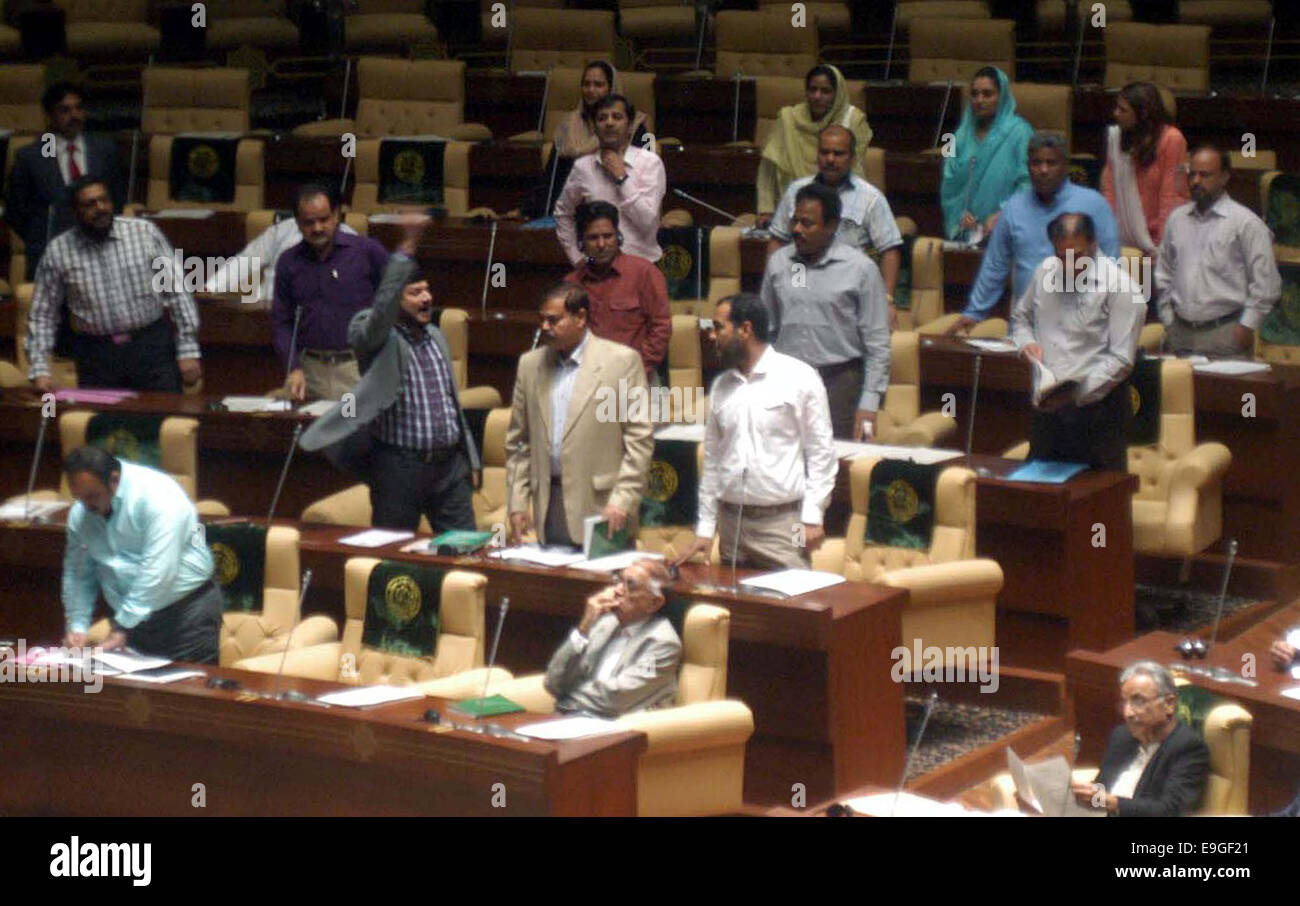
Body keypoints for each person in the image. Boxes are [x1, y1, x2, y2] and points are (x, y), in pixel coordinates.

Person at [299, 214, 479, 533]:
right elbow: (381, 313)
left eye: (427, 291)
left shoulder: (437, 335)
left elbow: (453, 405)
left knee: (465, 551)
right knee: (394, 560)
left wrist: (471, 461)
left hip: (449, 468)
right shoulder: (374, 337)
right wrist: (406, 246)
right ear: (394, 299)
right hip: (400, 469)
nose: (426, 298)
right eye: (414, 293)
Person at [674, 294, 836, 570]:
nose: (712, 336)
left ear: (745, 329)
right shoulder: (722, 386)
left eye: (718, 327)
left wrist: (812, 515)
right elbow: (713, 462)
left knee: (793, 605)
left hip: (784, 523)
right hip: (731, 524)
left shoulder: (799, 377)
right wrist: (705, 528)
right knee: (736, 611)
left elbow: (821, 453)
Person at [505, 281, 654, 547]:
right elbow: (519, 442)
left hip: (604, 507)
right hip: (547, 506)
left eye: (554, 320)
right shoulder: (529, 365)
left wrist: (623, 500)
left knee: (605, 588)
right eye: (542, 320)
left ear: (581, 317)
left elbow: (639, 441)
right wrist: (517, 502)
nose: (545, 328)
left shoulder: (621, 362)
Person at [26, 177, 201, 393]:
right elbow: (43, 315)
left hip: (151, 348)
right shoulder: (58, 251)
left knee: (162, 422)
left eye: (104, 200)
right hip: (97, 356)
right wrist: (40, 369)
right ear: (74, 212)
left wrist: (188, 349)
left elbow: (177, 291)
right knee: (105, 425)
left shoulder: (144, 233)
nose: (100, 208)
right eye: (90, 204)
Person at [60, 446, 224, 664]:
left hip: (186, 615)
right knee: (133, 695)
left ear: (114, 480)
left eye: (92, 496)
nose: (86, 507)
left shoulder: (159, 497)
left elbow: (157, 573)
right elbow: (78, 573)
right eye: (79, 498)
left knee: (185, 695)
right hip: (132, 617)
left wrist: (123, 626)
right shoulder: (82, 514)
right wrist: (78, 626)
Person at [946, 131, 1119, 335]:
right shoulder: (1013, 207)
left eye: (1051, 163)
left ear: (1065, 166)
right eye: (1036, 163)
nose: (1043, 170)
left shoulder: (1094, 204)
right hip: (1027, 328)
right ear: (1028, 166)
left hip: (1082, 327)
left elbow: (1112, 266)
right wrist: (974, 313)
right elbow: (995, 267)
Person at [1011, 213, 1145, 471]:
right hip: (1047, 409)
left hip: (1098, 415)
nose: (1070, 265)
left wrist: (1073, 396)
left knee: (1097, 502)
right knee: (1039, 496)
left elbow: (1122, 360)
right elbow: (1021, 319)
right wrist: (1026, 343)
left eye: (1078, 256)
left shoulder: (1121, 288)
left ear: (1093, 244)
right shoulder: (1045, 272)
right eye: (1062, 257)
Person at [760, 181, 890, 441]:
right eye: (794, 221)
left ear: (832, 226)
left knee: (834, 465)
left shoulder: (861, 269)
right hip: (786, 381)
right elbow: (766, 329)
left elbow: (877, 343)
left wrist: (869, 402)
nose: (796, 229)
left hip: (840, 383)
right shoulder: (779, 263)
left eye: (807, 223)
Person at [768, 124, 904, 320]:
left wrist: (888, 299)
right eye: (824, 152)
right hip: (799, 284)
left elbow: (890, 250)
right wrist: (775, 284)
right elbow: (777, 240)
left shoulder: (870, 197)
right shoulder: (796, 191)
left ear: (852, 157)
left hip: (847, 292)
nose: (830, 159)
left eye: (838, 153)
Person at [1155, 146, 1281, 357]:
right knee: (1178, 390)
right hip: (1180, 332)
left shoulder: (1246, 223)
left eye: (1205, 175)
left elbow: (1267, 284)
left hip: (1226, 333)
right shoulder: (1177, 219)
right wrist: (1168, 319)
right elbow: (1163, 274)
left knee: (1224, 391)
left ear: (1224, 177)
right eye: (1192, 174)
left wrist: (1247, 326)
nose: (1196, 181)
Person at [272, 183, 389, 401]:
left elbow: (393, 302)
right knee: (311, 433)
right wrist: (293, 367)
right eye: (308, 222)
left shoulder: (367, 252)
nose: (317, 228)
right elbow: (282, 322)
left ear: (336, 215)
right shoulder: (289, 262)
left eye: (323, 219)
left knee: (353, 431)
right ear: (297, 222)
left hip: (358, 369)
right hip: (309, 372)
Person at [6, 82, 124, 274]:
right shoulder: (33, 155)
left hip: (99, 250)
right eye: (65, 110)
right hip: (47, 255)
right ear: (49, 115)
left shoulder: (104, 150)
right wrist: (39, 236)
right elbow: (15, 211)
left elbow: (117, 199)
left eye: (78, 108)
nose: (74, 115)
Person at [543, 558, 682, 718]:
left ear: (654, 603)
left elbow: (616, 698)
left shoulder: (662, 644)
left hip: (617, 727)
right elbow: (554, 681)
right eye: (618, 581)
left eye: (630, 585)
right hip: (573, 718)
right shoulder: (605, 624)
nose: (617, 590)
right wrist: (584, 628)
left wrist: (568, 701)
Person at [1072, 660, 1209, 816]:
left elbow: (1170, 810)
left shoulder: (1188, 748)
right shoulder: (1121, 736)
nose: (1128, 713)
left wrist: (1111, 802)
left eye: (1138, 701)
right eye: (1124, 703)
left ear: (1169, 704)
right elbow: (1103, 785)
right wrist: (1083, 793)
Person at [554, 94, 666, 267]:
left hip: (643, 267)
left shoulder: (650, 163)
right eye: (602, 118)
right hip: (598, 269)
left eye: (617, 117)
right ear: (594, 128)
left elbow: (647, 223)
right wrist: (576, 257)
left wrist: (622, 178)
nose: (609, 123)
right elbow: (563, 212)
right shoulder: (583, 167)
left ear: (629, 126)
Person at [527, 60, 649, 219]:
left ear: (611, 88)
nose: (591, 90)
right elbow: (553, 180)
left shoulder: (634, 127)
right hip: (571, 210)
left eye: (598, 85)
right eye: (586, 84)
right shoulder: (568, 126)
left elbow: (643, 176)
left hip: (621, 210)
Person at [565, 200, 672, 381]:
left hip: (636, 377)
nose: (601, 244)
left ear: (619, 237)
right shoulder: (571, 283)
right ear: (581, 242)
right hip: (586, 380)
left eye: (608, 236)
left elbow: (661, 327)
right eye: (593, 238)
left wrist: (638, 371)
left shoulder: (644, 273)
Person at [756, 64, 873, 225]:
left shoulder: (852, 120)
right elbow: (768, 169)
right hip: (792, 209)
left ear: (837, 94)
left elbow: (853, 170)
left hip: (841, 209)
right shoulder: (788, 119)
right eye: (813, 89)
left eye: (826, 91)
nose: (817, 96)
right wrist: (765, 210)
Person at [939, 66, 1033, 244]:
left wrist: (1003, 215)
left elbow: (1028, 184)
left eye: (987, 94)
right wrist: (960, 214)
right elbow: (947, 184)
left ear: (1002, 97)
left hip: (1008, 231)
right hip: (966, 233)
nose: (979, 100)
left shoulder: (1022, 132)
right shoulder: (953, 136)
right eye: (974, 94)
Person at [1101, 82, 1189, 255]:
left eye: (1123, 110)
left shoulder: (1172, 139)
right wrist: (1109, 235)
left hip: (1157, 239)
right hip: (1122, 235)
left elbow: (1170, 197)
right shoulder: (1116, 137)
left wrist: (1163, 246)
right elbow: (1110, 190)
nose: (1115, 114)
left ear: (1143, 113)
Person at [204, 212, 359, 304]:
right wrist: (211, 287)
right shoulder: (283, 230)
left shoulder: (349, 237)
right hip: (269, 314)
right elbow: (247, 259)